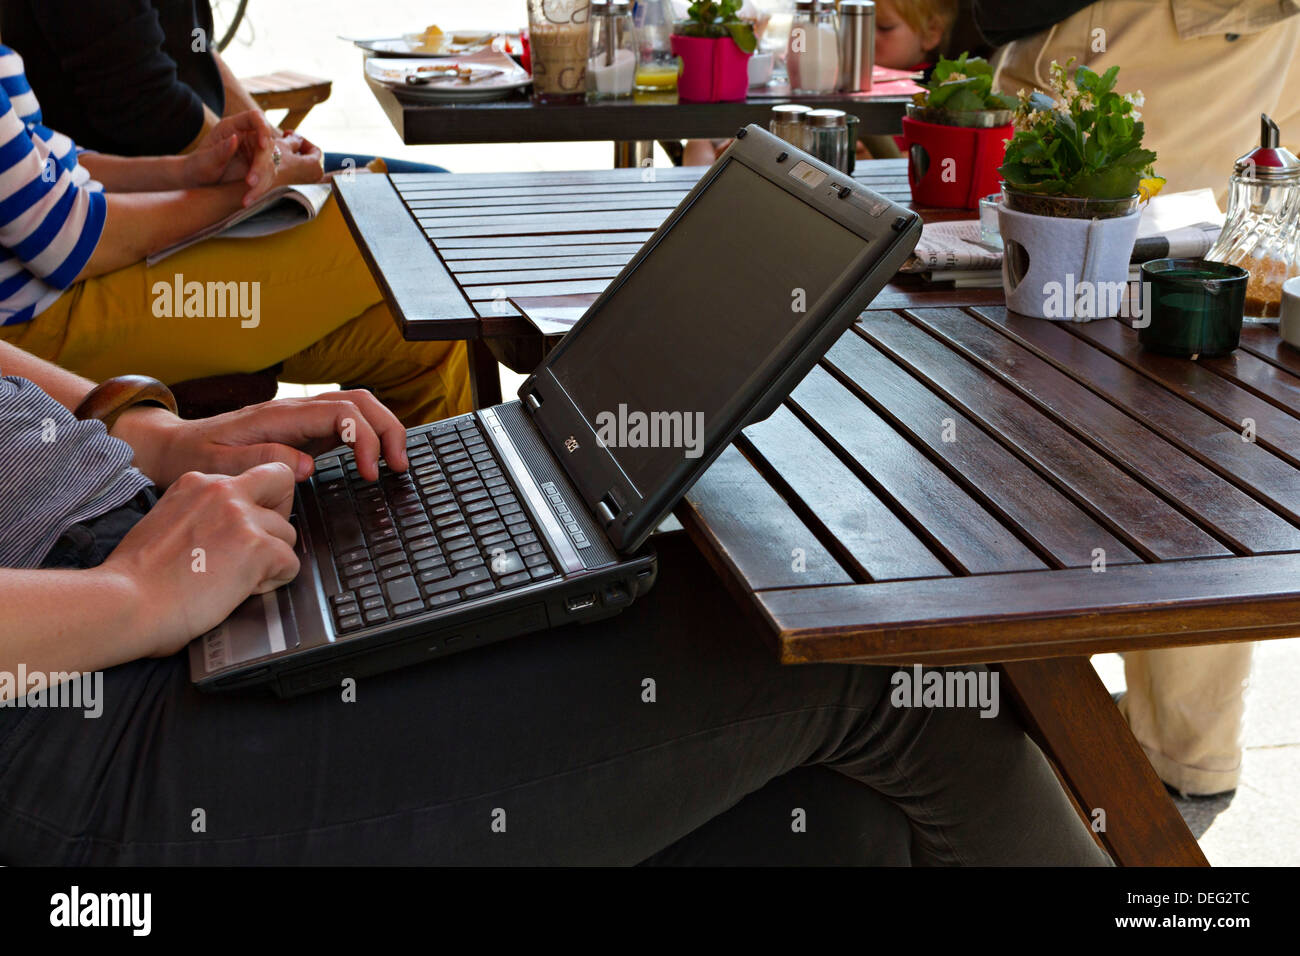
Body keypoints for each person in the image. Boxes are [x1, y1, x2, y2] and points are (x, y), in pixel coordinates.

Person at [0, 335, 1110, 865]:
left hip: (135, 552)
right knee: (870, 659)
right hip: (83, 706)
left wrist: (149, 433)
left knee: (838, 830)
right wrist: (127, 594)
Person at [976, 0, 1300, 797]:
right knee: (1071, 395)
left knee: (1181, 376)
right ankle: (1118, 737)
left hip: (1177, 31)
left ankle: (1160, 754)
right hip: (1050, 42)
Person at [0, 43, 469, 426]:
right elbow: (58, 238)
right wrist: (258, 187)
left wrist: (195, 171)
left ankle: (437, 527)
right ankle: (538, 371)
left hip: (71, 285)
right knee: (422, 219)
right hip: (37, 327)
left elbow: (57, 167)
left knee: (420, 333)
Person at [0, 0, 444, 174]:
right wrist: (267, 167)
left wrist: (274, 141)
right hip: (148, 200)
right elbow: (146, 105)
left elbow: (197, 48)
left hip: (204, 171)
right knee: (428, 216)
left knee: (433, 200)